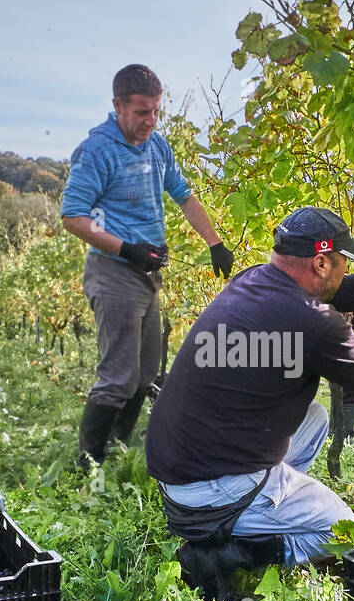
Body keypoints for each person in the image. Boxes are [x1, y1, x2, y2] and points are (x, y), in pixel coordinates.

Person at [145, 206, 354, 582]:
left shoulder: (252, 280)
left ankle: (260, 512)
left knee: (315, 418)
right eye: (344, 261)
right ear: (321, 263)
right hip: (209, 492)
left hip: (180, 473)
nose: (347, 271)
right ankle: (232, 553)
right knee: (343, 533)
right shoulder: (312, 321)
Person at [60, 64, 234, 469]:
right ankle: (88, 462)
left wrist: (215, 243)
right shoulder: (97, 151)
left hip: (147, 272)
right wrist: (127, 250)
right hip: (114, 271)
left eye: (156, 111)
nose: (150, 121)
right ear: (118, 105)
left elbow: (185, 196)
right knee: (118, 376)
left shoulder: (158, 146)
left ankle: (118, 449)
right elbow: (73, 217)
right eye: (142, 112)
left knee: (145, 373)